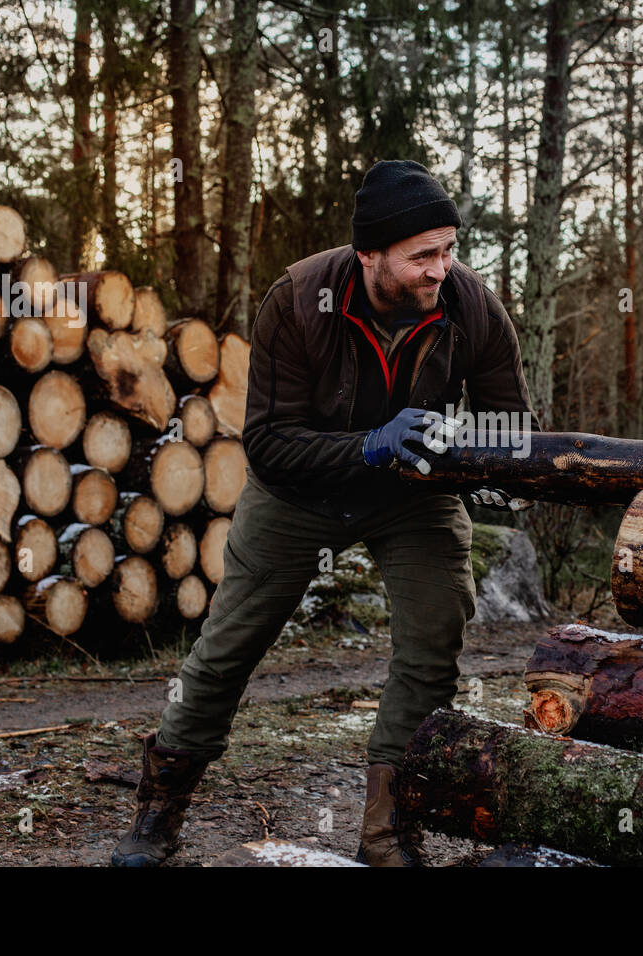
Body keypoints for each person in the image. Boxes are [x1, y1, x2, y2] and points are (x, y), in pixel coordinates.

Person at [112, 159, 539, 867]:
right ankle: (157, 816)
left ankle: (388, 832)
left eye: (449, 249)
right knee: (225, 650)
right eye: (422, 255)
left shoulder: (471, 305)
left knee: (434, 643)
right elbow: (270, 444)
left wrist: (496, 477)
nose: (442, 268)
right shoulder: (297, 298)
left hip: (413, 497)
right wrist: (368, 445)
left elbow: (510, 426)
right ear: (369, 255)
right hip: (299, 493)